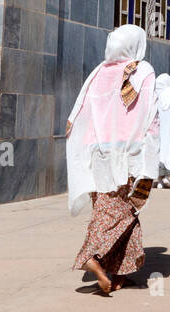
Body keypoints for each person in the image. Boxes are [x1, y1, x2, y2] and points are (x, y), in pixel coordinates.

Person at [65, 24, 159, 295]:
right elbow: (150, 115)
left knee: (111, 209)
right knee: (122, 211)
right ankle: (91, 256)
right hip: (127, 155)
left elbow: (81, 113)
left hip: (98, 154)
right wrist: (150, 152)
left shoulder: (98, 73)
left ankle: (118, 274)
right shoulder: (142, 71)